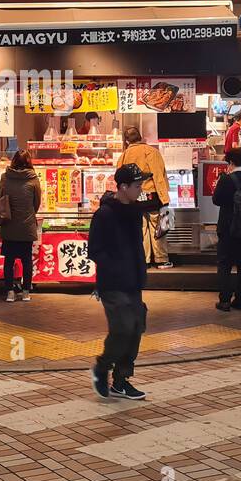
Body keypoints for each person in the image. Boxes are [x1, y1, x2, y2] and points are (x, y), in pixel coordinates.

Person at [88, 163, 160, 401]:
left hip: (134, 281)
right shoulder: (105, 214)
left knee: (136, 327)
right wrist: (116, 266)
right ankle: (102, 366)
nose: (140, 190)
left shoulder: (135, 211)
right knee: (123, 327)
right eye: (137, 186)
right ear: (123, 187)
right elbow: (95, 250)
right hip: (112, 282)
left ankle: (121, 380)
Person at [211, 148, 241, 312]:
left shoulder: (226, 180)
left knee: (224, 264)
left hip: (228, 229)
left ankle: (225, 300)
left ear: (230, 163)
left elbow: (216, 200)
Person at [117, 126, 172, 268]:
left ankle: (144, 260)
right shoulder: (152, 152)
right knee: (158, 227)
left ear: (127, 140)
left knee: (141, 228)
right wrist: (165, 199)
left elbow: (120, 178)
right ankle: (161, 259)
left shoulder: (124, 155)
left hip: (134, 197)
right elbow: (158, 176)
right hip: (152, 196)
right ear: (140, 137)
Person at [0, 149, 43, 302]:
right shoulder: (33, 179)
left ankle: (10, 292)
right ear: (29, 162)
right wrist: (28, 214)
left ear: (13, 161)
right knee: (26, 260)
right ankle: (25, 292)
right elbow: (36, 203)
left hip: (9, 225)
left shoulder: (5, 178)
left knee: (9, 261)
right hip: (26, 226)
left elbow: (1, 199)